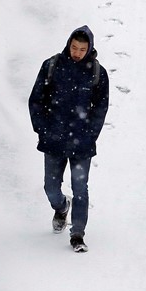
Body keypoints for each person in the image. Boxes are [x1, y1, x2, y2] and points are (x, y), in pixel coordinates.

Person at [27, 25, 110, 253]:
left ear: (89, 49)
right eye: (74, 47)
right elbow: (36, 100)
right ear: (68, 44)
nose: (77, 52)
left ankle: (77, 234)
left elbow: (100, 107)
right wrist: (42, 129)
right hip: (53, 139)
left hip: (81, 143)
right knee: (51, 187)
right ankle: (62, 207)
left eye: (82, 49)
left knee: (80, 187)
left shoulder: (97, 73)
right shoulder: (52, 66)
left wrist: (90, 133)